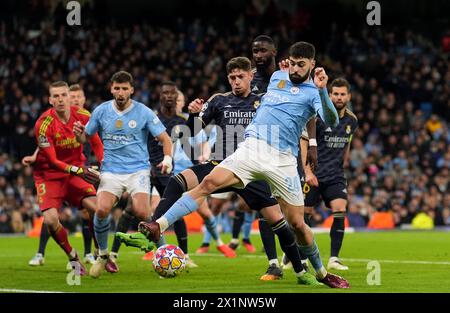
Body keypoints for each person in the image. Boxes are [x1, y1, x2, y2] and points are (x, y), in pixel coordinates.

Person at [139, 43, 350, 288]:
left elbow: (332, 119)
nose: (294, 68)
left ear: (312, 65)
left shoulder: (314, 91)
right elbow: (258, 69)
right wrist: (196, 114)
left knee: (297, 224)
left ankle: (322, 273)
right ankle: (158, 226)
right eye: (291, 62)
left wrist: (323, 91)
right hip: (251, 148)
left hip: (282, 160)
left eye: (301, 64)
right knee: (208, 182)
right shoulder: (278, 77)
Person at [73, 71, 173, 278]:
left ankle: (163, 255)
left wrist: (168, 159)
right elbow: (85, 138)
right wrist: (79, 134)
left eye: (124, 88)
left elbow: (165, 139)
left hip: (138, 170)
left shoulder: (143, 112)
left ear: (131, 90)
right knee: (101, 210)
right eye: (117, 88)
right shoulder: (101, 111)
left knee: (142, 212)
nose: (120, 92)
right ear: (111, 89)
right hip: (110, 170)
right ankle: (102, 255)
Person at [31, 81, 104, 276]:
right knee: (50, 219)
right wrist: (79, 171)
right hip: (49, 175)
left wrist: (104, 164)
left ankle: (100, 251)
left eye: (63, 95)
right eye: (56, 96)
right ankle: (73, 257)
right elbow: (53, 161)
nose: (60, 99)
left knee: (97, 208)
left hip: (76, 170)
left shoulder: (83, 116)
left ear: (69, 97)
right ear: (50, 100)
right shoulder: (43, 124)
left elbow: (96, 142)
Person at [300, 77, 358, 270]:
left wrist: (344, 163)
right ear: (329, 95)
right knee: (303, 215)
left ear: (348, 96)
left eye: (342, 94)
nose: (339, 97)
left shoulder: (352, 120)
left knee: (340, 208)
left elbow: (347, 143)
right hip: (314, 174)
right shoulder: (317, 117)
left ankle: (334, 258)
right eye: (335, 94)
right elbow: (304, 144)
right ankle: (299, 256)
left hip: (335, 175)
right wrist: (307, 171)